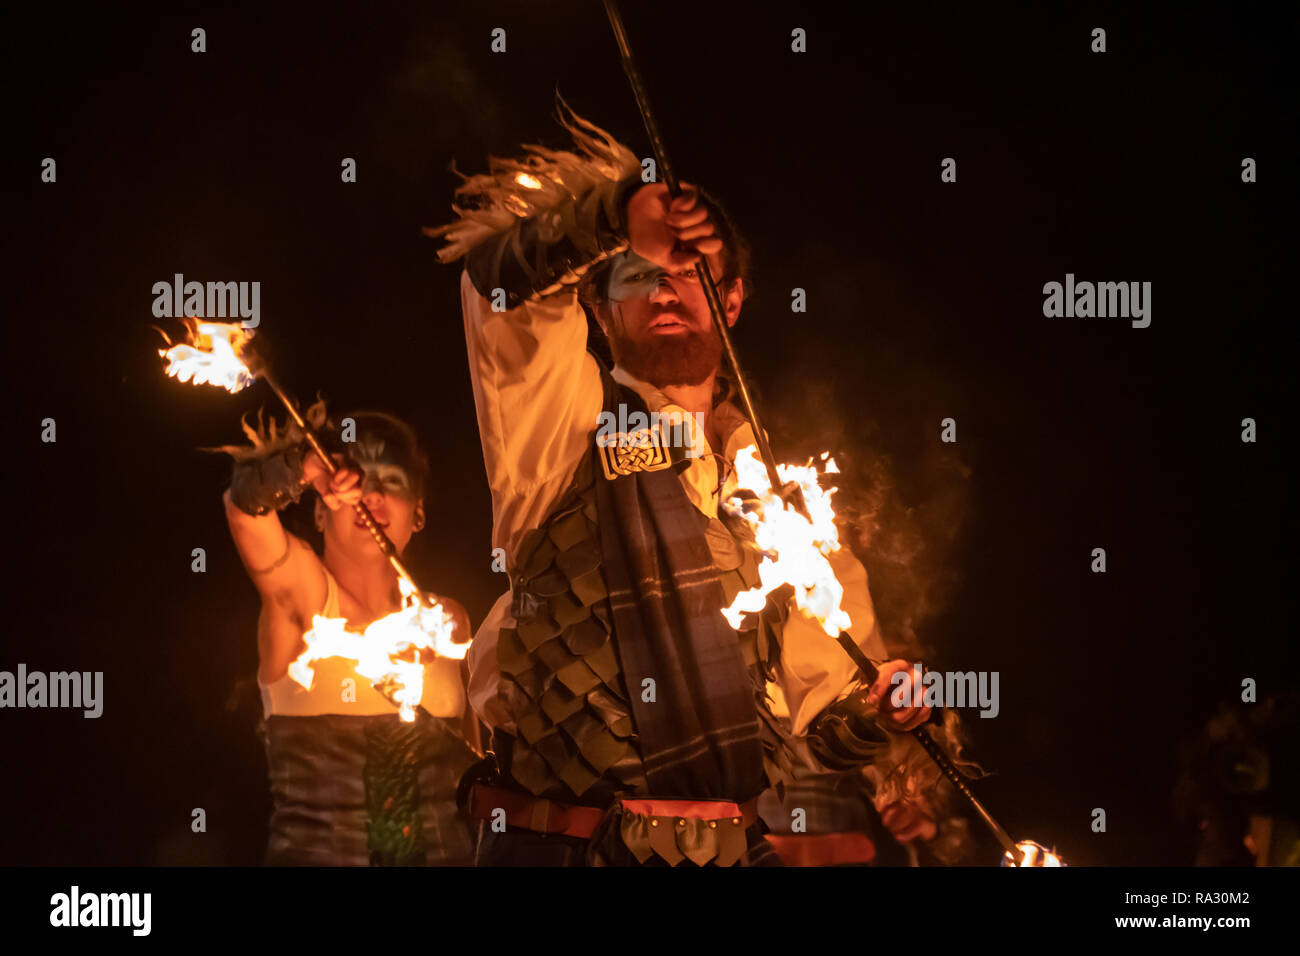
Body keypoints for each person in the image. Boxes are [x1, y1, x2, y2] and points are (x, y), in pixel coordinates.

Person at [429, 102, 953, 865]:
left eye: (688, 273)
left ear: (732, 302)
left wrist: (884, 714)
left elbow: (827, 722)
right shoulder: (558, 426)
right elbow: (495, 287)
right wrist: (616, 216)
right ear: (601, 315)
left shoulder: (778, 496)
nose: (666, 290)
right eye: (639, 275)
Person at [221, 406, 477, 865]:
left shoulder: (447, 621)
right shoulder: (301, 600)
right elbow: (243, 510)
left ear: (418, 514)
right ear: (320, 510)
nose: (373, 494)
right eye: (362, 481)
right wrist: (305, 468)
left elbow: (479, 783)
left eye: (393, 482)